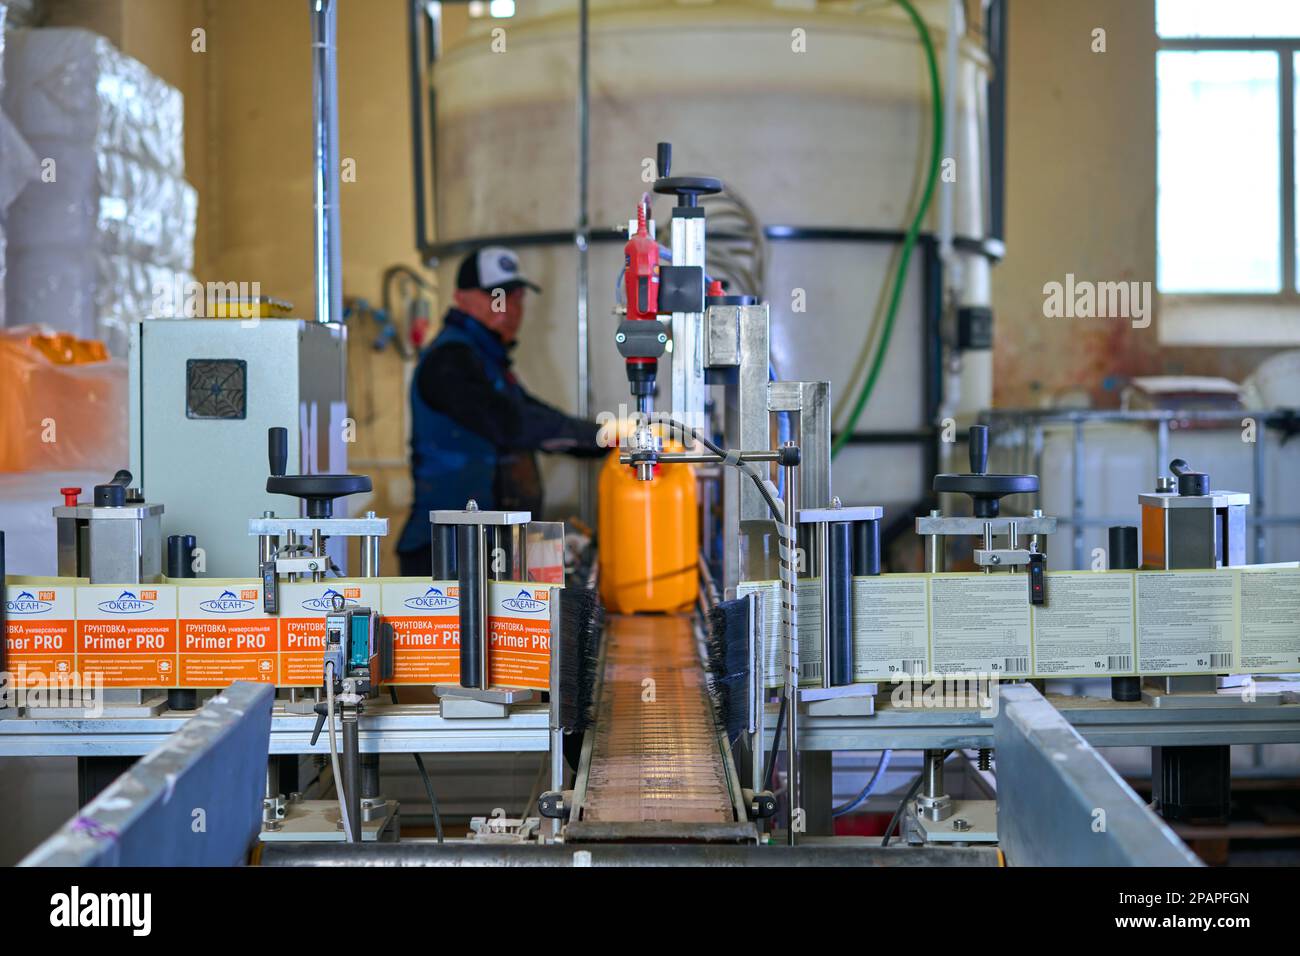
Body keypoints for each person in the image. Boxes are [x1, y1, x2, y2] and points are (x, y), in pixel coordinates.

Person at [396, 246, 605, 576]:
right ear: (461, 298)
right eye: (496, 295)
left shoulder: (488, 361)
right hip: (446, 555)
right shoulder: (449, 360)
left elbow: (540, 418)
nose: (508, 307)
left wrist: (614, 440)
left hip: (487, 548)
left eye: (516, 297)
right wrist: (607, 435)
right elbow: (513, 424)